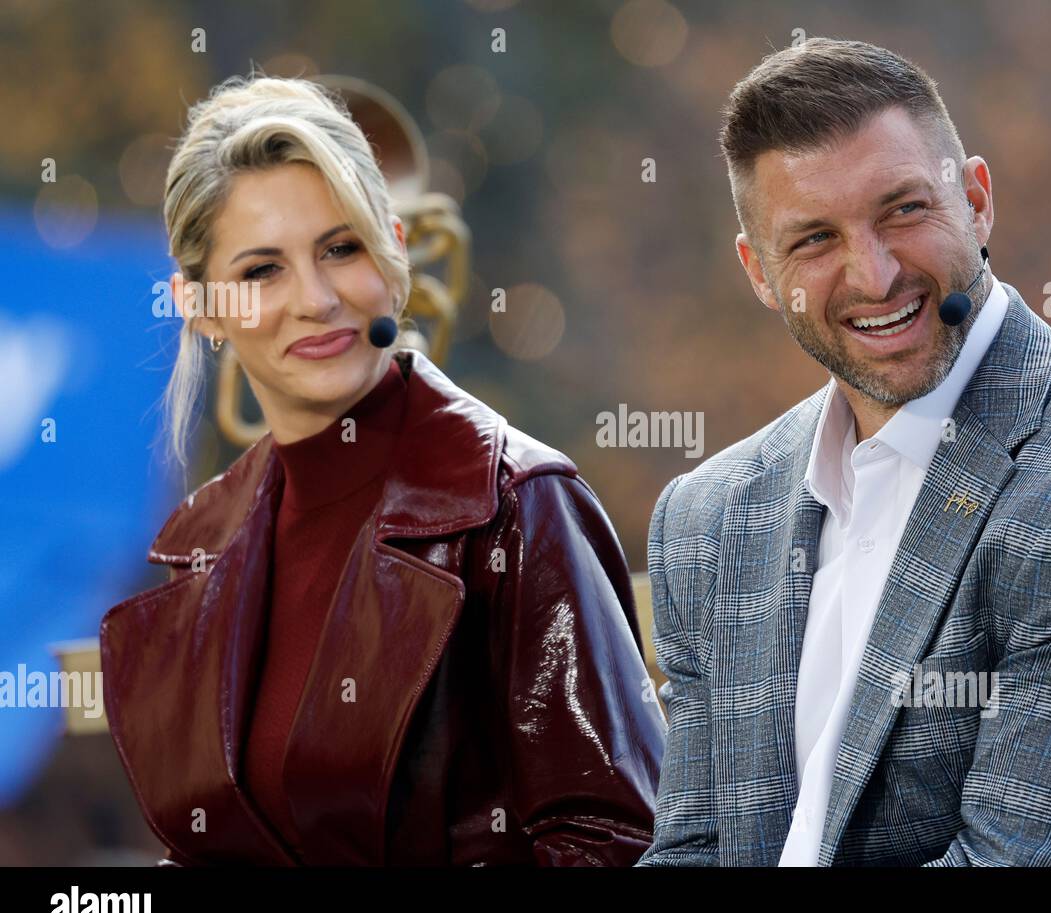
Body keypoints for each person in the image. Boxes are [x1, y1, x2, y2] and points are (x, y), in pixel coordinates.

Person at [638, 38, 1051, 866]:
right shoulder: (709, 518)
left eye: (903, 211)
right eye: (813, 240)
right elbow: (693, 852)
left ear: (977, 200)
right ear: (761, 274)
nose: (874, 276)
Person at [99, 74, 664, 866]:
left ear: (395, 246)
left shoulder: (516, 504)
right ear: (198, 305)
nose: (318, 298)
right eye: (263, 270)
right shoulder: (202, 545)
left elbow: (614, 842)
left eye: (342, 248)